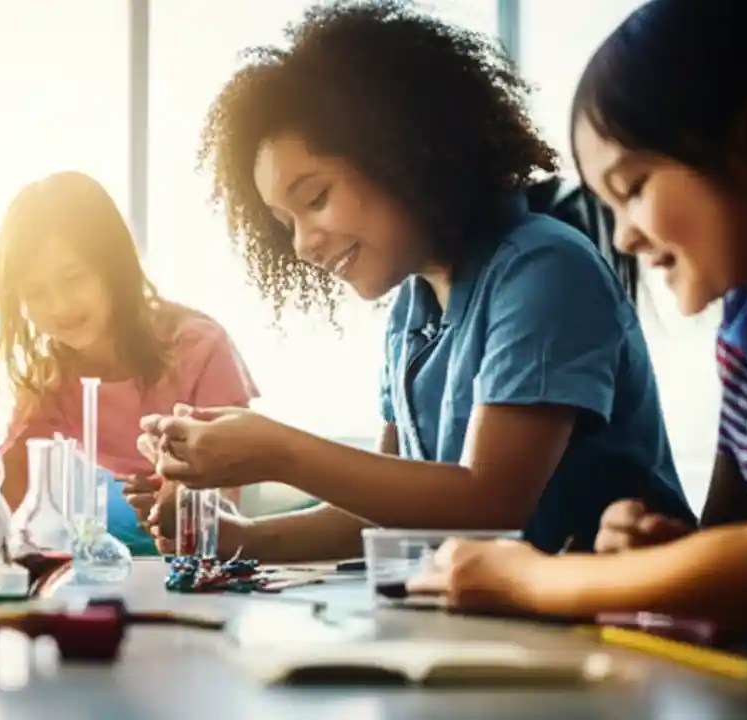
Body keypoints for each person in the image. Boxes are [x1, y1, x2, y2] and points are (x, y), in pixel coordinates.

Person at [132, 0, 693, 561]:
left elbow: (489, 503)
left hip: (620, 625)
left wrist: (276, 451)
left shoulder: (544, 267)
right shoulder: (414, 307)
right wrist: (244, 539)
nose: (302, 244)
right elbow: (388, 509)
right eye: (286, 225)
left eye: (315, 199)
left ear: (399, 152)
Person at [407, 0, 747, 636]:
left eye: (635, 187)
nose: (623, 239)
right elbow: (736, 542)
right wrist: (666, 557)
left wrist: (529, 577)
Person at [0, 171, 256, 555]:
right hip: (134, 524)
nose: (59, 306)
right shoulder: (51, 377)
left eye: (73, 277)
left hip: (218, 519)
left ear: (112, 267)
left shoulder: (198, 348)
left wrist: (174, 497)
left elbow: (222, 495)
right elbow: (9, 486)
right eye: (35, 292)